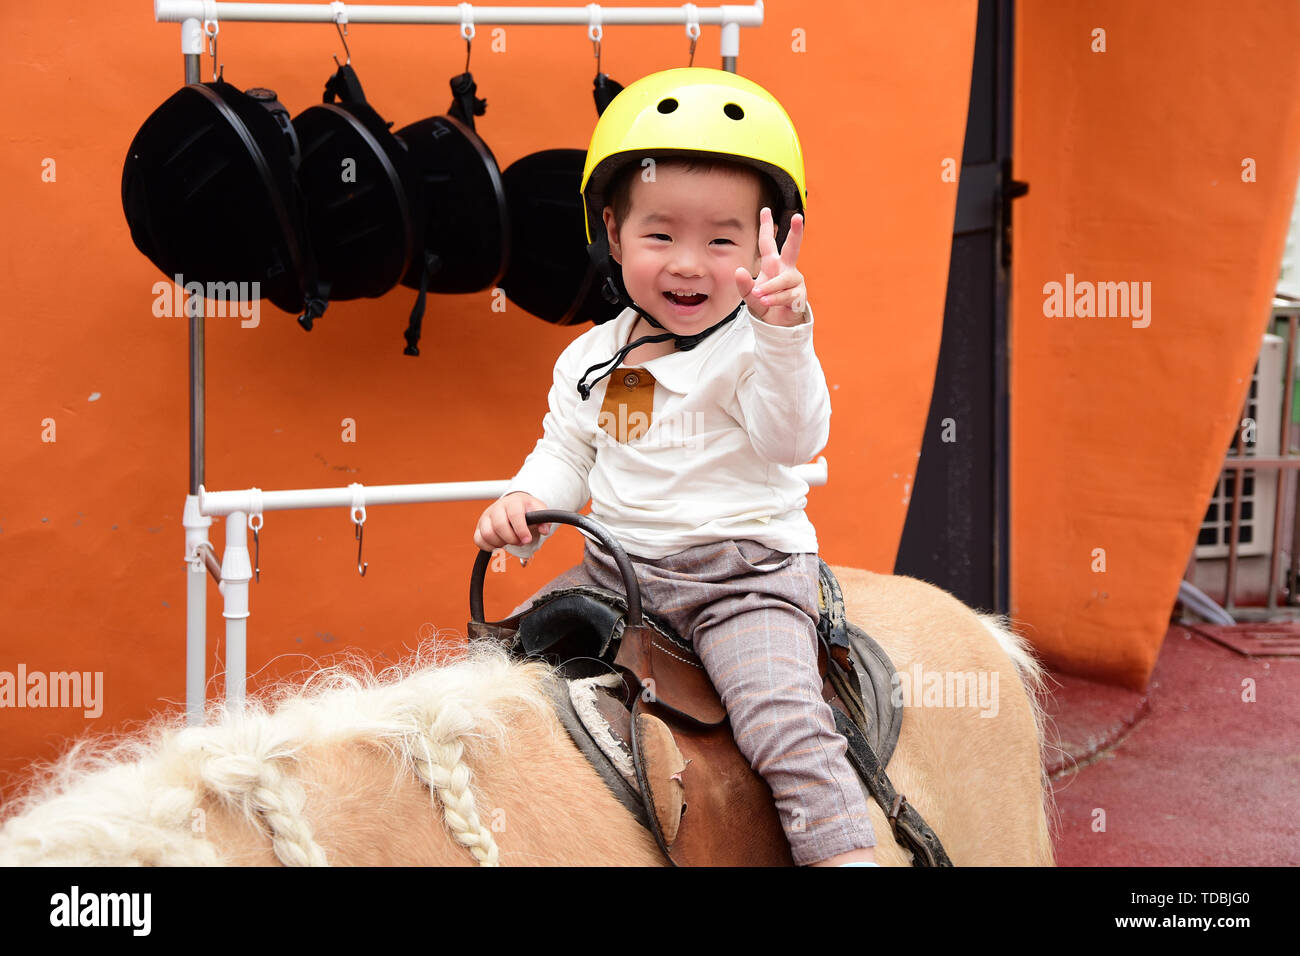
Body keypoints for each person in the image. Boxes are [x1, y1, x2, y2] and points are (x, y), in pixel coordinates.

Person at [472, 68, 878, 867]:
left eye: (722, 240)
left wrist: (787, 331)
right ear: (613, 235)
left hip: (741, 578)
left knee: (782, 725)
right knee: (494, 683)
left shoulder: (759, 344)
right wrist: (526, 501)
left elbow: (794, 438)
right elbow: (576, 450)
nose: (688, 265)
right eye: (661, 236)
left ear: (765, 246)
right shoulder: (602, 357)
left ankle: (844, 855)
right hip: (614, 574)